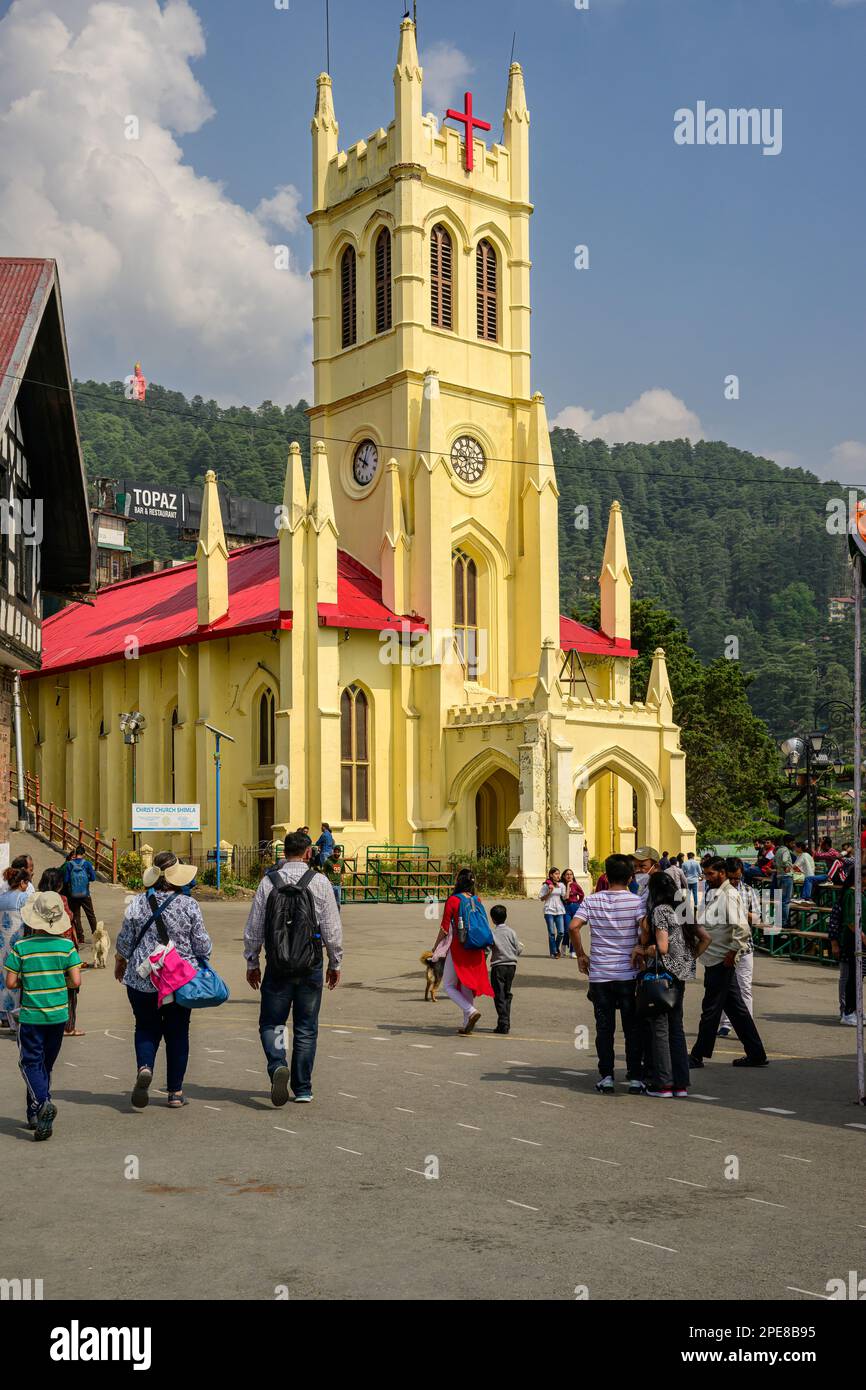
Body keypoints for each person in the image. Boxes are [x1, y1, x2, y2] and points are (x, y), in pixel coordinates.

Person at [244, 830, 342, 1104]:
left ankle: (278, 1065)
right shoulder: (320, 883)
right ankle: (302, 1088)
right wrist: (335, 963)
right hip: (310, 964)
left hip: (277, 965)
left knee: (272, 1023)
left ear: (283, 853)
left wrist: (252, 961)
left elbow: (254, 928)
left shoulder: (268, 883)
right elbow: (332, 930)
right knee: (306, 1027)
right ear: (309, 852)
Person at [115, 851, 211, 1110]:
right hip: (178, 980)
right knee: (178, 1033)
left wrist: (120, 962)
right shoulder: (189, 905)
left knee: (145, 1027)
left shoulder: (136, 903)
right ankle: (175, 1093)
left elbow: (124, 940)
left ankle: (145, 1067)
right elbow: (202, 945)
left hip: (142, 977)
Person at [5, 891, 81, 1140]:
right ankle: (33, 1114)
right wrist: (58, 982)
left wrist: (29, 980)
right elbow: (76, 980)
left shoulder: (22, 947)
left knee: (29, 1063)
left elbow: (11, 982)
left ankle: (42, 1101)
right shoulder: (66, 946)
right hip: (58, 1015)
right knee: (45, 1065)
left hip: (31, 1016)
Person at [570, 852, 647, 1095]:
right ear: (630, 876)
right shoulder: (636, 902)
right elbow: (645, 927)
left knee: (604, 1029)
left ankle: (606, 1077)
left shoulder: (592, 901)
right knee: (632, 1028)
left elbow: (574, 926)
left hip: (601, 975)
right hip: (628, 974)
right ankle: (635, 1077)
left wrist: (581, 955)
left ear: (606, 875)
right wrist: (641, 946)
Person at [689, 858, 768, 1069]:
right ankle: (756, 1053)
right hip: (715, 958)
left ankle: (697, 1054)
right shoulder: (718, 893)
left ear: (722, 873)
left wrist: (733, 952)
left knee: (711, 1009)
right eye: (705, 874)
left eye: (711, 874)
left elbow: (742, 929)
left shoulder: (729, 895)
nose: (707, 878)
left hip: (721, 960)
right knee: (736, 1010)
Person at [641, 871, 710, 1097]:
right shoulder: (683, 909)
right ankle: (680, 1083)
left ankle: (664, 1083)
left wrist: (643, 948)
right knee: (676, 1029)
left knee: (660, 1029)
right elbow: (706, 938)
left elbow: (661, 947)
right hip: (680, 975)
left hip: (663, 975)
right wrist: (689, 958)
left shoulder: (660, 910)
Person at [429, 868, 494, 1035]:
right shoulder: (476, 899)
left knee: (449, 986)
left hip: (460, 946)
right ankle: (466, 1023)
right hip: (476, 946)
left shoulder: (453, 900)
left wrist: (435, 946)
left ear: (459, 881)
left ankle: (471, 1010)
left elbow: (444, 928)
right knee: (466, 984)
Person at [37, 867, 84, 1036]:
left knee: (42, 985)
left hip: (38, 948)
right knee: (69, 987)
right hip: (63, 948)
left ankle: (44, 1022)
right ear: (58, 884)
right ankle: (68, 1026)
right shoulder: (60, 899)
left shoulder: (35, 899)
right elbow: (69, 919)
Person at [718, 857, 757, 1038]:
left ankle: (747, 1025)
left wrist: (741, 912)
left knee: (744, 987)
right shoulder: (717, 893)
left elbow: (757, 918)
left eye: (737, 878)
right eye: (731, 878)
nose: (734, 882)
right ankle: (726, 1024)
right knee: (726, 987)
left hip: (744, 947)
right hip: (724, 947)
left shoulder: (749, 891)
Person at [0, 864, 31, 1028]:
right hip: (17, 944)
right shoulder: (23, 898)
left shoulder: (2, 897)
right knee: (16, 979)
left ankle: (4, 1016)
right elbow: (29, 921)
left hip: (1, 945)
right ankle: (15, 1019)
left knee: (3, 979)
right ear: (22, 883)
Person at [488, 904, 522, 1035]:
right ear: (505, 917)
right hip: (511, 966)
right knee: (506, 993)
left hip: (498, 966)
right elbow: (518, 949)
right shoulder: (511, 932)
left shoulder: (493, 933)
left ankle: (504, 1023)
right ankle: (504, 1021)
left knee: (499, 995)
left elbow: (487, 949)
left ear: (493, 919)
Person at [62, 844, 97, 943]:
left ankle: (80, 937)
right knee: (91, 915)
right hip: (85, 893)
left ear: (76, 853)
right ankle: (95, 935)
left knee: (76, 915)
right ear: (83, 854)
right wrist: (86, 880)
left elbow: (66, 880)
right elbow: (93, 878)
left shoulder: (69, 864)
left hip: (73, 894)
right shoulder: (87, 864)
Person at [539, 867, 567, 959]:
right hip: (549, 910)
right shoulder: (546, 885)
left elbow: (564, 897)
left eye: (558, 874)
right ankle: (554, 951)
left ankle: (555, 947)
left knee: (561, 932)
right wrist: (549, 892)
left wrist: (569, 885)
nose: (558, 875)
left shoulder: (562, 885)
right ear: (551, 875)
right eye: (556, 874)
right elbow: (541, 898)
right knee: (551, 933)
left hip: (559, 910)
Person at [561, 869, 585, 958]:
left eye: (571, 874)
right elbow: (563, 898)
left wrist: (578, 903)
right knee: (567, 929)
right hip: (566, 908)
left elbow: (582, 894)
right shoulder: (561, 886)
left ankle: (573, 951)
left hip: (575, 907)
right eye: (567, 874)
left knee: (574, 929)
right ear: (564, 876)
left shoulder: (576, 885)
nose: (569, 876)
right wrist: (568, 886)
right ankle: (563, 945)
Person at [793, 840, 825, 905]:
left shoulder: (804, 855)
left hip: (809, 877)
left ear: (799, 848)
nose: (795, 849)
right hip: (807, 876)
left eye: (796, 847)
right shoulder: (803, 855)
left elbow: (794, 866)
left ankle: (804, 898)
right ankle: (802, 897)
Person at [772, 836, 795, 927]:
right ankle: (784, 923)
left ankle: (779, 921)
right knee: (786, 901)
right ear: (787, 843)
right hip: (786, 877)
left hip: (779, 876)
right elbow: (785, 860)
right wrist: (787, 867)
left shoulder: (778, 850)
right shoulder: (785, 850)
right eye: (792, 843)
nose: (793, 845)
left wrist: (779, 868)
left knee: (780, 900)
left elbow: (773, 862)